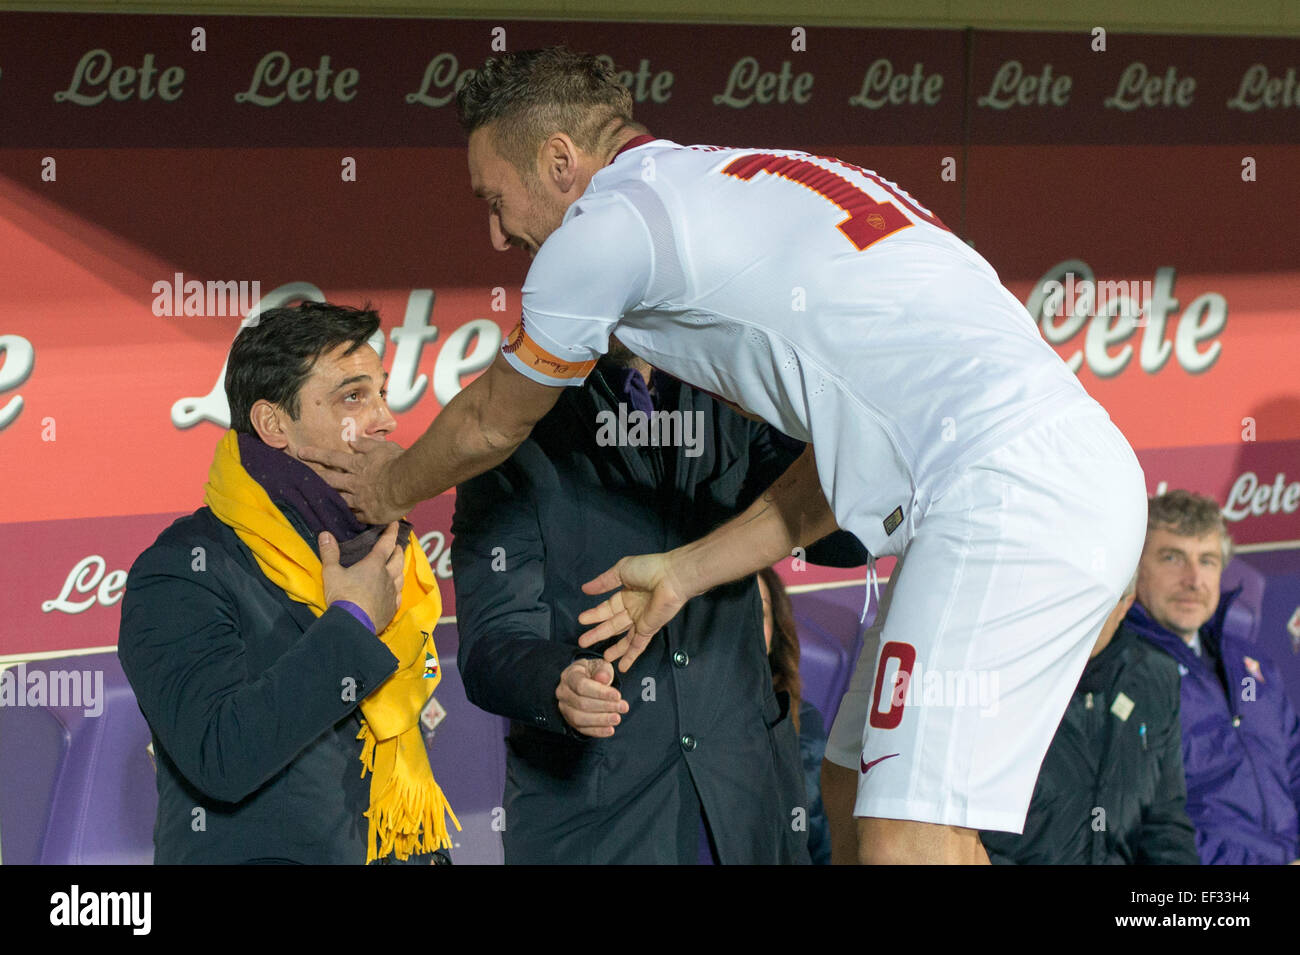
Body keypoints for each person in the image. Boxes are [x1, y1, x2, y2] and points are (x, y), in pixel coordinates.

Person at [299, 48, 1147, 864]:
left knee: (908, 840)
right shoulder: (736, 183)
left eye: (496, 196)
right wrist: (685, 570)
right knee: (850, 789)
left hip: (1004, 494)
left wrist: (384, 487)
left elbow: (491, 420)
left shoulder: (606, 228)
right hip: (1056, 474)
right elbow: (821, 481)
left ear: (561, 159)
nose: (496, 233)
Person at [451, 342, 864, 863]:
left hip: (749, 807)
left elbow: (849, 539)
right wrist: (561, 681)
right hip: (597, 822)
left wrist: (797, 400)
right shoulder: (508, 419)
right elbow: (493, 640)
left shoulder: (734, 394)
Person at [118, 302, 458, 864]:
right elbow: (219, 756)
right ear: (274, 424)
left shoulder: (386, 549)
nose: (384, 419)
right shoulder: (180, 569)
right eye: (354, 396)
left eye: (381, 392)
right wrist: (351, 624)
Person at [1126, 490, 1300, 865]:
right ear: (1135, 566)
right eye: (1172, 557)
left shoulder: (1251, 664)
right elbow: (1143, 827)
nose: (1193, 579)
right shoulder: (1123, 676)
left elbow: (1295, 766)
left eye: (1207, 560)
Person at [979, 577, 1199, 864]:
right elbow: (963, 832)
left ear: (1125, 606)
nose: (1082, 614)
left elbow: (1165, 825)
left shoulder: (1156, 678)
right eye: (1073, 597)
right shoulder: (996, 676)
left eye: (1099, 602)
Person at [758, 566, 832, 864]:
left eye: (758, 614)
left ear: (775, 632)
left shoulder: (802, 719)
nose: (745, 630)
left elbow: (823, 840)